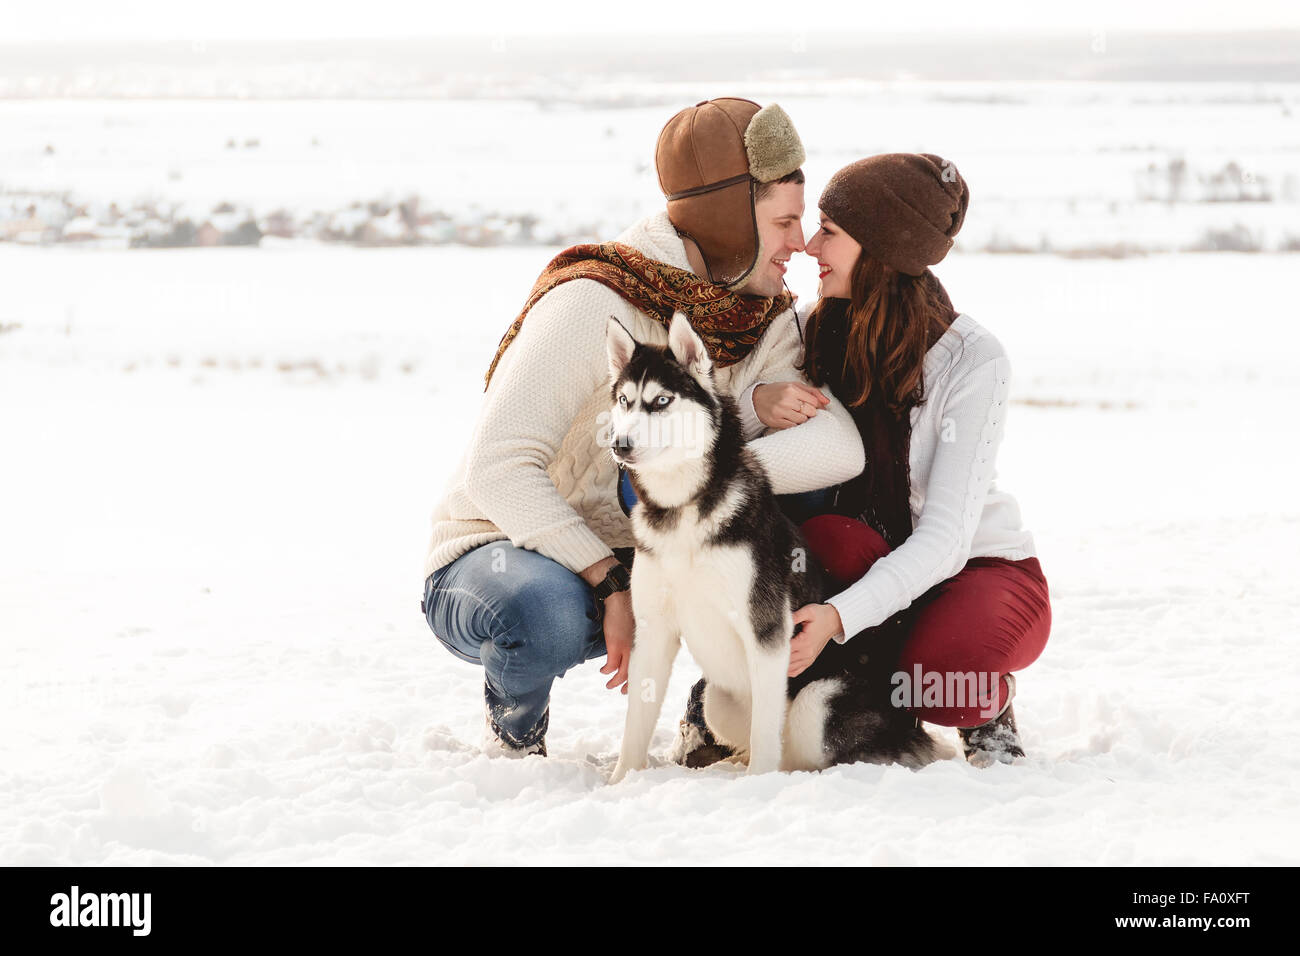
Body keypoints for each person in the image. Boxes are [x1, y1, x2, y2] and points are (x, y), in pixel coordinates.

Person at [420, 97, 865, 757]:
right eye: (784, 222)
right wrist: (608, 579)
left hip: (652, 545)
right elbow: (497, 469)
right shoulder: (593, 299)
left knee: (798, 511)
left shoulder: (762, 317)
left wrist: (723, 444)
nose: (799, 246)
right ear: (727, 221)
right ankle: (515, 731)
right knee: (543, 614)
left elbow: (840, 450)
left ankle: (712, 711)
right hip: (503, 549)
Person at [679, 153, 1052, 767]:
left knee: (940, 679)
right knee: (822, 537)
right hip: (863, 555)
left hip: (973, 566)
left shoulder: (972, 359)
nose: (809, 246)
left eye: (830, 231)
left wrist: (838, 616)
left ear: (880, 249)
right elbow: (719, 416)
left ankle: (985, 704)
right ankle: (736, 694)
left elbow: (945, 539)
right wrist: (756, 399)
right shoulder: (808, 328)